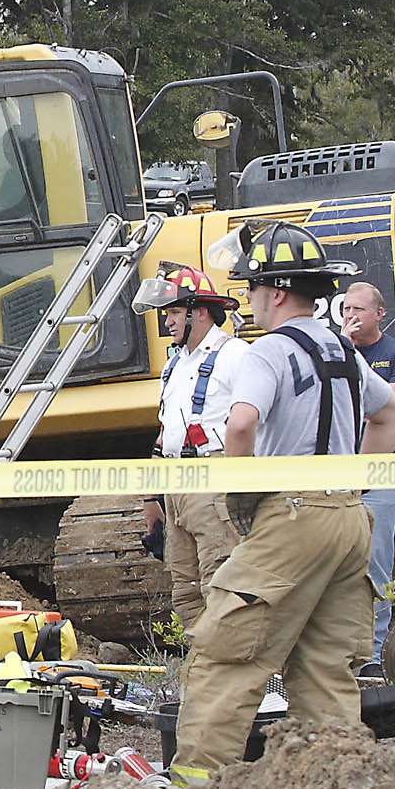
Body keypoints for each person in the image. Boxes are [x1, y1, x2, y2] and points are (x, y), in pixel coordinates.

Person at [168, 223, 395, 786]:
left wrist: (242, 497)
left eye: (252, 287)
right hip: (349, 517)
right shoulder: (343, 349)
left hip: (292, 516)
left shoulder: (266, 351)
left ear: (276, 292)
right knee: (326, 668)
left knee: (226, 653)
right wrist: (358, 475)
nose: (247, 300)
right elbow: (391, 413)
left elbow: (242, 422)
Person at [131, 266, 249, 628]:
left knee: (223, 586)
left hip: (213, 480)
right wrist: (153, 499)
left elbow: (253, 423)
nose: (166, 321)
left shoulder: (235, 355)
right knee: (185, 592)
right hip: (176, 485)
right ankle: (206, 676)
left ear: (199, 312)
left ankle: (243, 677)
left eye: (173, 312)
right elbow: (166, 433)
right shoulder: (176, 363)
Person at [342, 279, 395, 671]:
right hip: (335, 470)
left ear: (379, 314)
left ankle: (372, 655)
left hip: (383, 471)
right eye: (345, 309)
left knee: (375, 559)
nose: (350, 316)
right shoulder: (334, 349)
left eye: (357, 309)